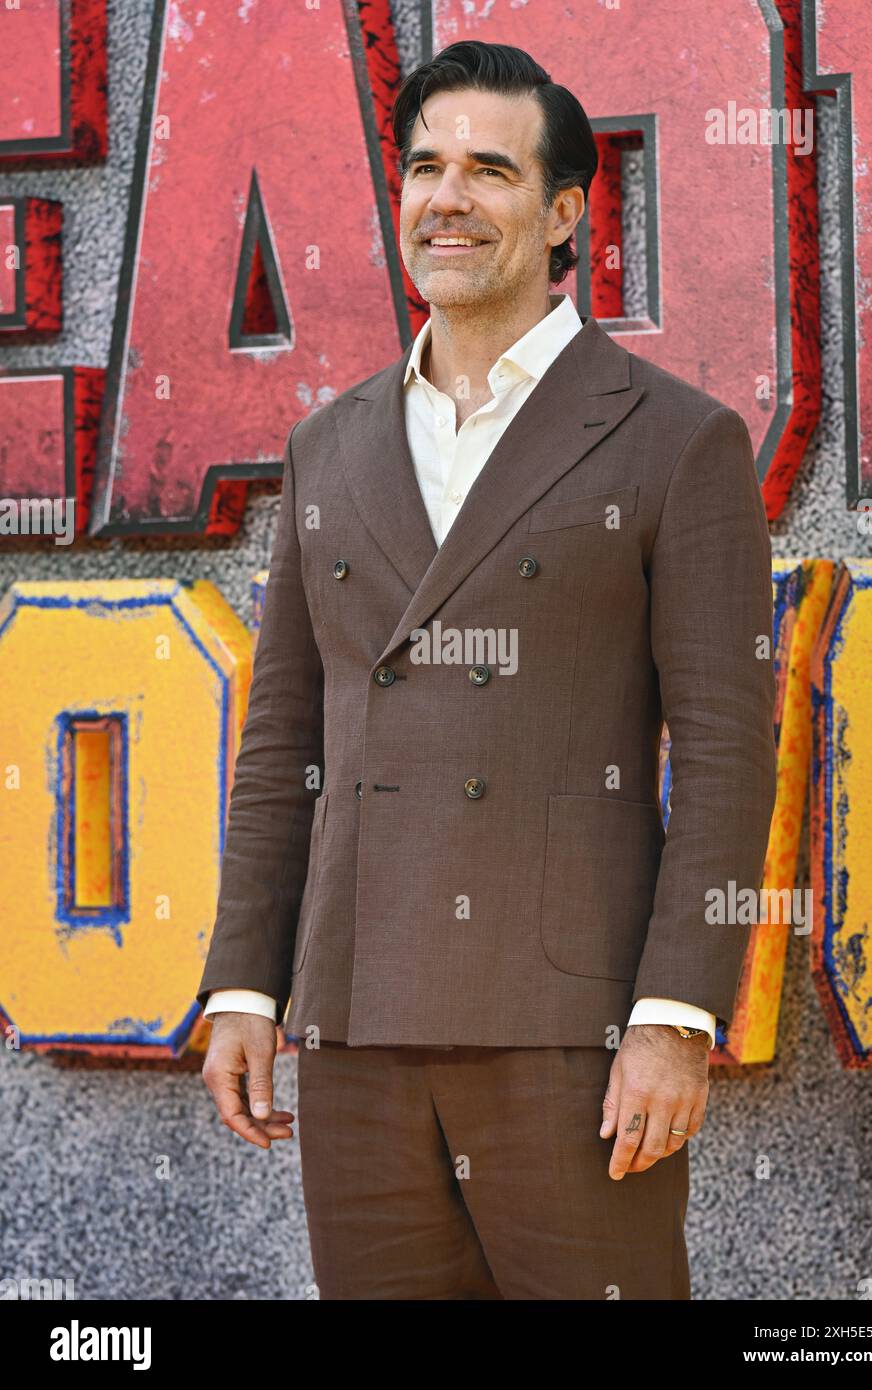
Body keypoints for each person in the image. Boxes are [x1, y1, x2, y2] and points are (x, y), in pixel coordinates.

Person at [198, 40, 777, 1300]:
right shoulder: (326, 444)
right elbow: (281, 737)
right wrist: (247, 978)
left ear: (565, 211)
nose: (446, 196)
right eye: (423, 166)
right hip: (354, 1022)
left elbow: (729, 751)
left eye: (488, 170)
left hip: (571, 1033)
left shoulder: (676, 439)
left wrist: (676, 1016)